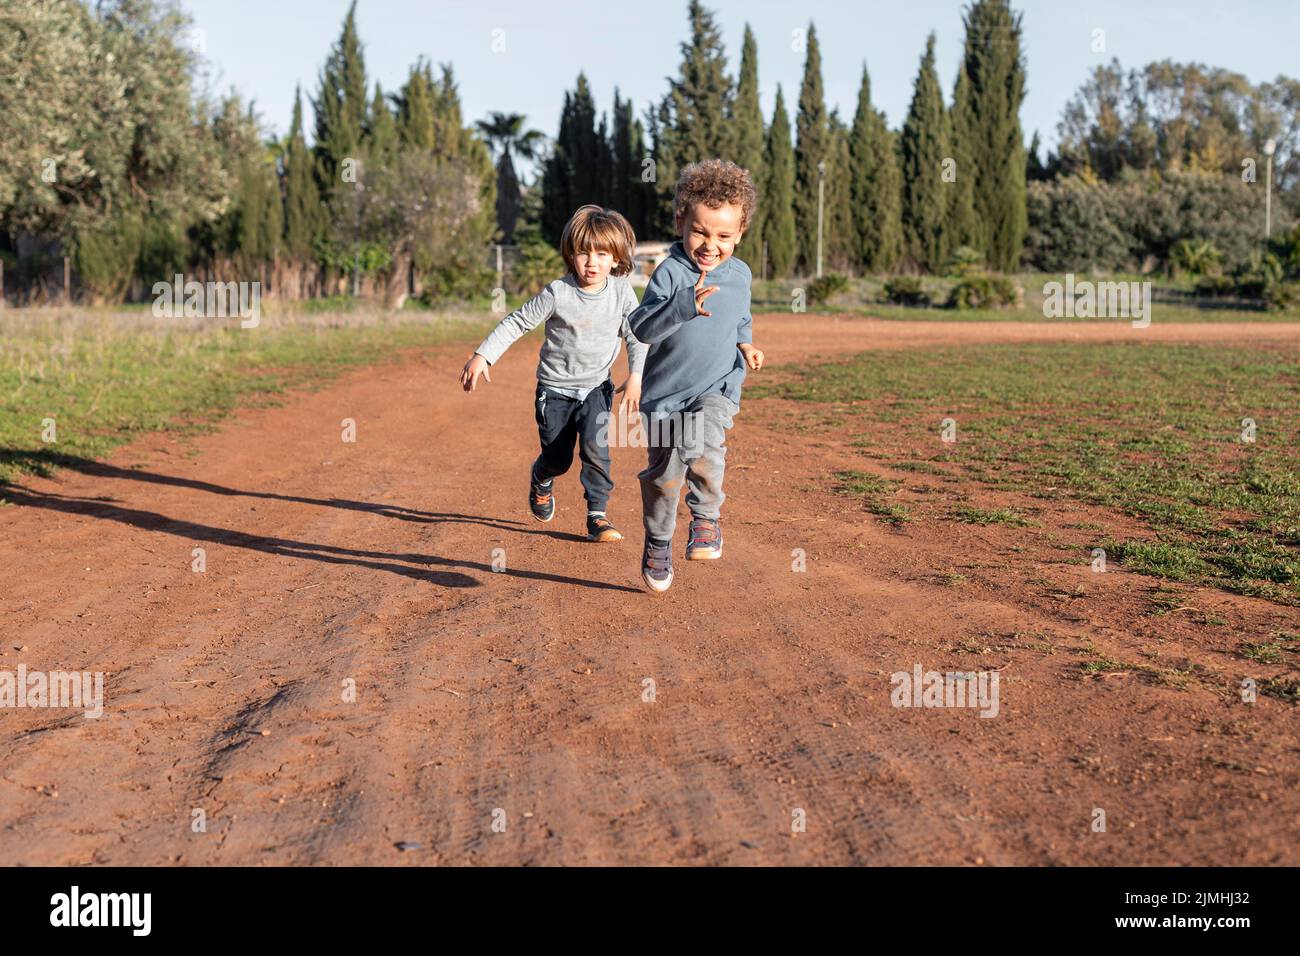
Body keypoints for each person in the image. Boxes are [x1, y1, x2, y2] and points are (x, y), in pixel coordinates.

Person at [460, 205, 647, 542]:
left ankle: (597, 515)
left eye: (602, 253)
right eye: (582, 252)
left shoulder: (621, 292)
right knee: (558, 459)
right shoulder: (557, 293)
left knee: (596, 448)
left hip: (595, 388)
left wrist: (635, 376)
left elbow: (636, 334)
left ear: (616, 257)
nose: (592, 262)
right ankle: (542, 477)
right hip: (555, 390)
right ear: (569, 255)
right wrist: (483, 355)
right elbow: (518, 321)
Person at [626, 159, 764, 592]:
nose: (711, 244)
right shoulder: (670, 272)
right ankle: (659, 539)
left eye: (724, 236)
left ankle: (706, 519)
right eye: (700, 231)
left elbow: (740, 317)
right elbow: (641, 328)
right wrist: (682, 305)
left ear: (740, 233)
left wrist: (746, 344)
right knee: (665, 476)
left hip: (717, 386)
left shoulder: (740, 274)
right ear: (681, 221)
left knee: (703, 443)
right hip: (665, 396)